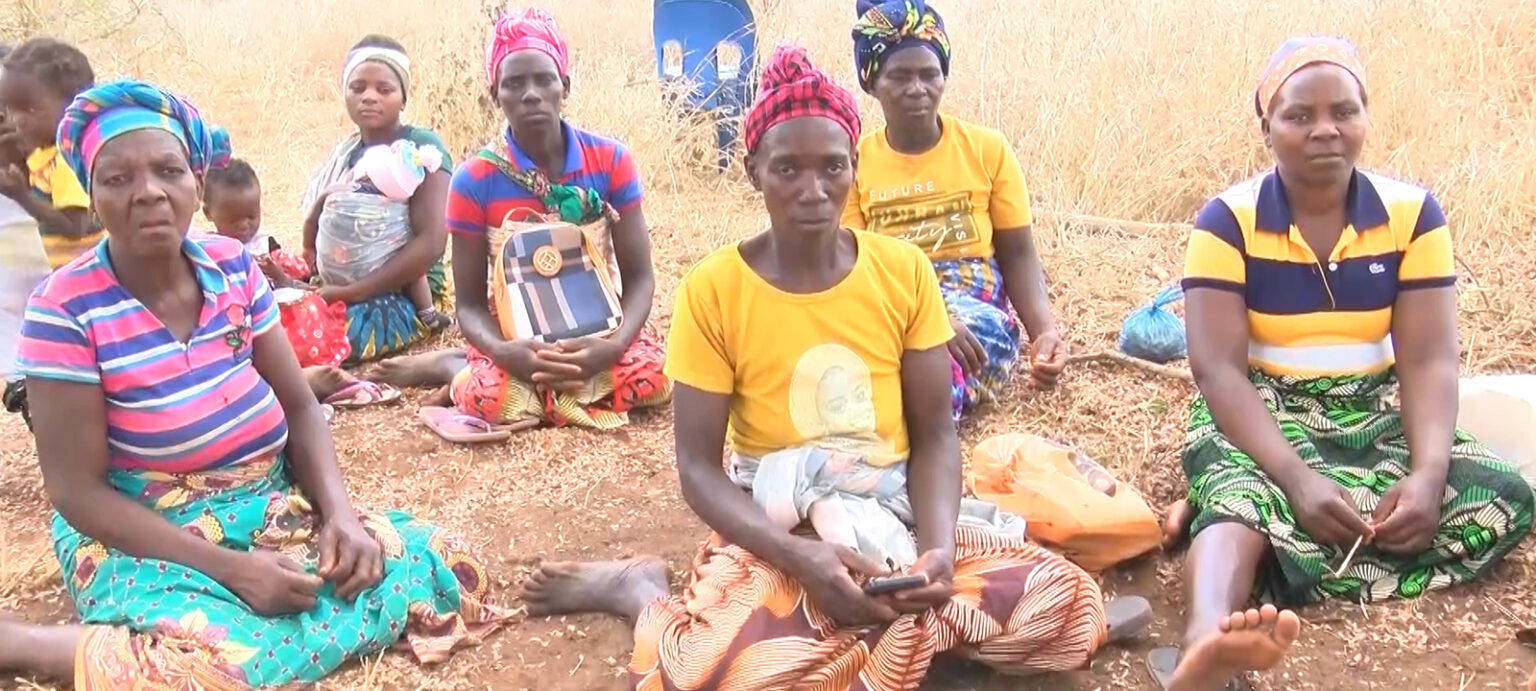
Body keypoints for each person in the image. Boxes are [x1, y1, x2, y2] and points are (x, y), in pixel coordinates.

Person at [520, 45, 1150, 689]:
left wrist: (934, 554)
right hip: (784, 522)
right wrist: (803, 558)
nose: (813, 189)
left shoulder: (901, 272)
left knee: (1069, 612)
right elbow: (698, 471)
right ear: (752, 171)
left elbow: (934, 435)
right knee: (717, 675)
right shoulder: (714, 290)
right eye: (787, 168)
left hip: (897, 510)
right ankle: (642, 592)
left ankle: (888, 641)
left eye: (833, 167)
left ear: (854, 167)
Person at [0, 79, 508, 686]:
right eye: (117, 179)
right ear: (91, 193)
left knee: (444, 566)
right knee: (214, 668)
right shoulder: (65, 309)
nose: (149, 194)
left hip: (265, 504)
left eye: (169, 171)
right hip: (145, 530)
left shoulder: (233, 267)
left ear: (196, 182)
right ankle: (26, 644)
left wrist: (340, 515)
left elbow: (299, 405)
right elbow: (76, 492)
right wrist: (231, 572)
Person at [1160, 36, 1533, 690]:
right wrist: (1296, 478)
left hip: (1370, 407)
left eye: (1344, 111)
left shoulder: (1413, 215)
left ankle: (1280, 559)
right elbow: (1217, 369)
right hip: (1261, 406)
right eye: (1298, 115)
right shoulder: (1226, 221)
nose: (1324, 129)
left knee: (1495, 497)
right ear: (1266, 128)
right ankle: (1207, 643)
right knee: (1241, 498)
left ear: (1366, 118)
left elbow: (1426, 357)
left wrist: (1427, 472)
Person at [371, 8, 669, 440]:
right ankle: (459, 366)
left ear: (564, 85)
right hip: (515, 336)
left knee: (654, 379)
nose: (531, 94)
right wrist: (506, 353)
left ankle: (476, 370)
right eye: (514, 83)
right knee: (494, 398)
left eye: (544, 79)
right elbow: (470, 304)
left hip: (598, 330)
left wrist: (613, 346)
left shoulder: (610, 161)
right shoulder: (476, 178)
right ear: (496, 94)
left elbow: (641, 277)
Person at [842, 0, 1064, 423]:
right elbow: (856, 267)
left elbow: (1017, 253)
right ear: (871, 82)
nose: (917, 88)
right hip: (890, 299)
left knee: (952, 352)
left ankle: (912, 429)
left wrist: (1045, 333)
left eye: (929, 74)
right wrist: (926, 317)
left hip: (972, 303)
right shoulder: (854, 161)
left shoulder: (986, 150)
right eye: (899, 76)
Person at [301, 35, 451, 364]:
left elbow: (432, 243)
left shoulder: (420, 150)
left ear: (403, 98)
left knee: (315, 337)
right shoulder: (346, 155)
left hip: (407, 290)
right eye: (358, 88)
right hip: (339, 283)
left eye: (384, 89)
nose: (369, 97)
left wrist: (349, 293)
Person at [207, 159, 398, 409]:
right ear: (209, 212)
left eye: (252, 217)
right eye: (234, 220)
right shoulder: (209, 254)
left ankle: (314, 375)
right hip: (242, 325)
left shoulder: (266, 246)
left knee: (310, 306)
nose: (245, 226)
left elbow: (300, 276)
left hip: (279, 319)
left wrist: (279, 275)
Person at [0, 37, 101, 271]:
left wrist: (22, 196)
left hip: (81, 280)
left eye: (29, 109)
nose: (15, 119)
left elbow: (75, 227)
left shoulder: (66, 160)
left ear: (74, 107)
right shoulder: (40, 156)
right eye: (8, 108)